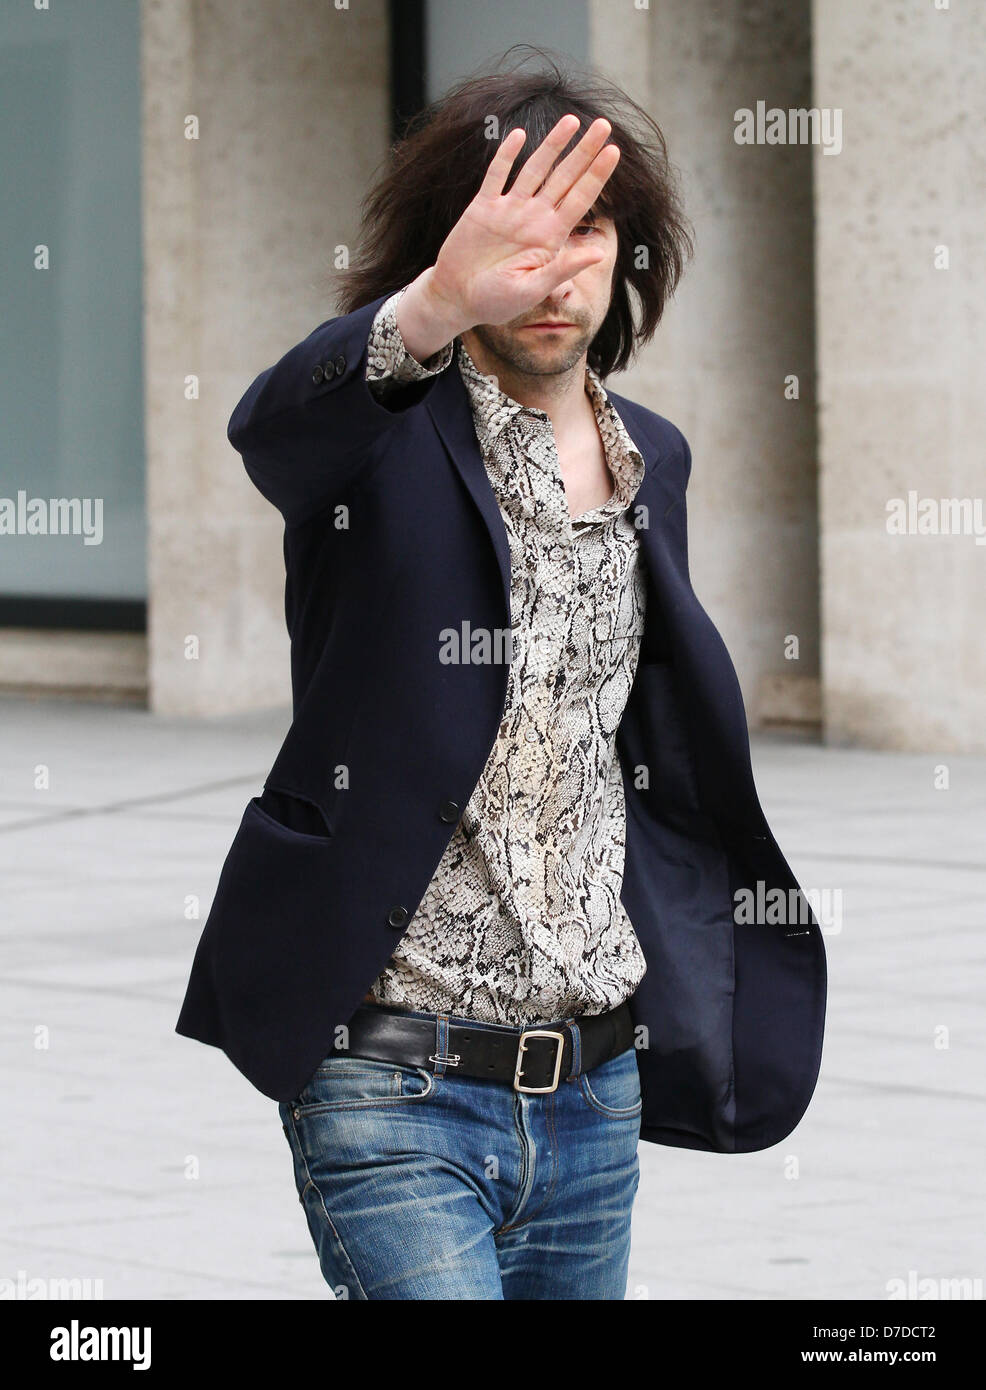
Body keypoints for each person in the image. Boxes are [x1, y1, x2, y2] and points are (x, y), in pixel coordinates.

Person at [175, 53, 826, 1301]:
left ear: (625, 258)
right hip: (390, 1076)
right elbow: (271, 427)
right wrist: (429, 305)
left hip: (592, 1083)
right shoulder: (374, 436)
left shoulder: (653, 459)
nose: (551, 269)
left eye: (585, 231)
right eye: (514, 234)